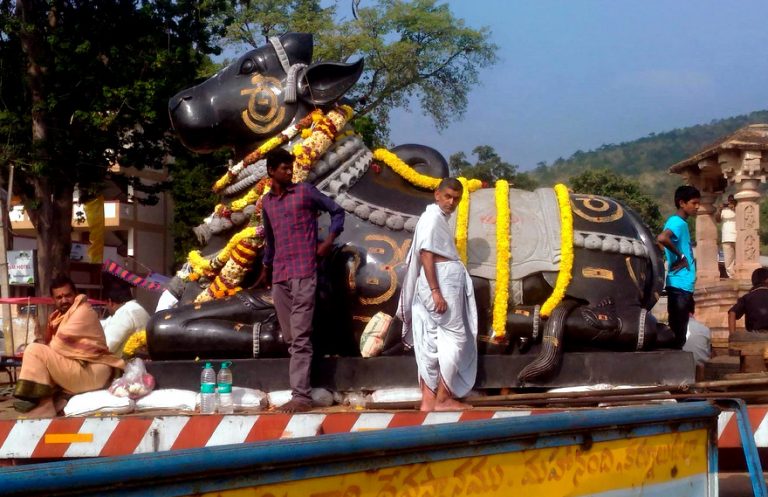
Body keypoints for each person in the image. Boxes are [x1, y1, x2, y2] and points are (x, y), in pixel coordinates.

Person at [257, 148, 345, 413]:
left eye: (290, 167)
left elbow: (337, 211)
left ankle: (301, 396)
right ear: (271, 171)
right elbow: (270, 241)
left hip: (305, 271)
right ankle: (303, 389)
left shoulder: (305, 191)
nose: (289, 171)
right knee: (291, 336)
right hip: (280, 275)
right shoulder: (268, 203)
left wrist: (328, 242)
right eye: (284, 168)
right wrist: (265, 268)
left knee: (300, 336)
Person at [397, 178, 478, 411]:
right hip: (440, 282)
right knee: (457, 338)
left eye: (456, 199)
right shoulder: (432, 219)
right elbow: (426, 255)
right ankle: (443, 399)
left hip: (439, 282)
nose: (452, 202)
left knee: (429, 339)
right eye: (448, 197)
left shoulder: (435, 218)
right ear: (437, 195)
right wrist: (436, 291)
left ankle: (428, 400)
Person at [13, 276, 125, 416]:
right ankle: (53, 401)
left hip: (94, 370)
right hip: (80, 368)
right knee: (39, 354)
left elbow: (58, 345)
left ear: (76, 294)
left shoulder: (83, 311)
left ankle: (45, 405)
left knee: (34, 351)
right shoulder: (57, 317)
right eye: (59, 297)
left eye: (67, 295)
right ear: (53, 300)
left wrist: (44, 353)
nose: (64, 300)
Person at [657, 185, 700, 349]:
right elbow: (662, 238)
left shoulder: (681, 223)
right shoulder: (677, 222)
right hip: (679, 285)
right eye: (694, 203)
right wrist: (680, 256)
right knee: (678, 333)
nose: (697, 207)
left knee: (680, 331)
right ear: (682, 203)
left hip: (684, 286)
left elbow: (660, 242)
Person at [102, 285, 150, 354]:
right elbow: (107, 322)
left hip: (128, 363)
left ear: (110, 301)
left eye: (106, 304)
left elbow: (107, 346)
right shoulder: (138, 308)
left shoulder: (124, 312)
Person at [728, 267, 768, 334]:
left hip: (754, 337)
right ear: (767, 280)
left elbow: (732, 313)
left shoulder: (747, 297)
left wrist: (732, 336)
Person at [716, 194, 737, 278]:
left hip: (738, 237)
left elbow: (742, 217)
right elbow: (717, 220)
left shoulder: (739, 208)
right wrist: (719, 210)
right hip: (726, 237)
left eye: (732, 201)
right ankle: (732, 276)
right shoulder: (724, 210)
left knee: (739, 259)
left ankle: (740, 274)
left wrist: (734, 208)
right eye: (729, 201)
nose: (729, 202)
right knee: (728, 260)